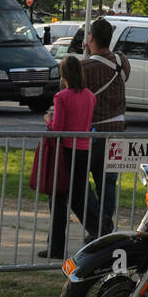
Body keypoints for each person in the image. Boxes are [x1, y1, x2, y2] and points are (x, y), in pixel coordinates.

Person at [40, 56, 97, 258]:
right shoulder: (90, 96)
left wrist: (48, 120)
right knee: (79, 197)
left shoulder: (61, 97)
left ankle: (56, 247)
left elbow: (58, 129)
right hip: (83, 150)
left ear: (63, 74)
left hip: (65, 151)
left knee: (57, 198)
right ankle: (98, 232)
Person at [82, 18, 129, 236]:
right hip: (118, 129)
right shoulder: (121, 61)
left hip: (95, 130)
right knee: (108, 181)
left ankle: (97, 223)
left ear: (90, 38)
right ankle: (105, 222)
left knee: (81, 178)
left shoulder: (85, 67)